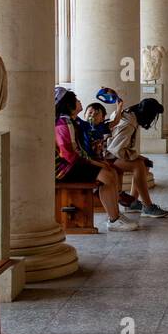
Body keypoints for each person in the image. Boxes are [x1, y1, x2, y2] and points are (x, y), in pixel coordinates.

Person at [54, 89, 136, 232]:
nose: (79, 101)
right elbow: (68, 155)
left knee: (110, 173)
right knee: (107, 175)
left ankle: (115, 215)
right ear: (69, 104)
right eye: (76, 99)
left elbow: (77, 151)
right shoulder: (64, 123)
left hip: (70, 164)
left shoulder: (70, 121)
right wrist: (94, 162)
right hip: (63, 169)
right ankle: (114, 219)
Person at [104, 97, 168, 218]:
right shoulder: (129, 124)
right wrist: (136, 157)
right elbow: (115, 149)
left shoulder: (128, 115)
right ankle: (148, 206)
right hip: (107, 156)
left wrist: (138, 157)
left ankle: (132, 202)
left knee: (144, 163)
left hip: (111, 152)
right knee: (139, 165)